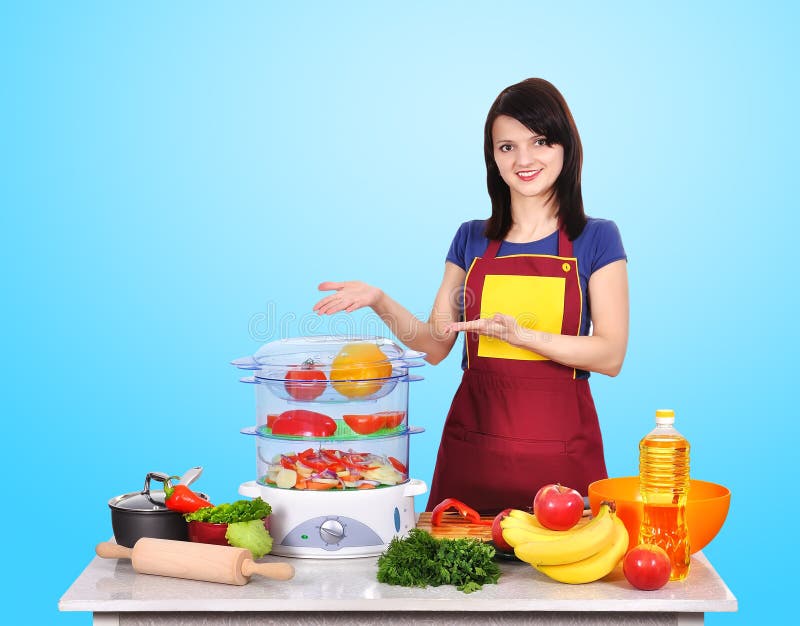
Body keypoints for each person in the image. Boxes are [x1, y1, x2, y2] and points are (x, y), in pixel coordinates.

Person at [313, 78, 628, 514]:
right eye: (506, 147)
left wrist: (525, 337)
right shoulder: (471, 240)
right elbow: (436, 344)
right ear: (492, 157)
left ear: (565, 147)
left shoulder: (596, 238)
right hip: (473, 457)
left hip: (562, 467)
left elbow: (611, 355)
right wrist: (379, 300)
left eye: (539, 141)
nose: (524, 159)